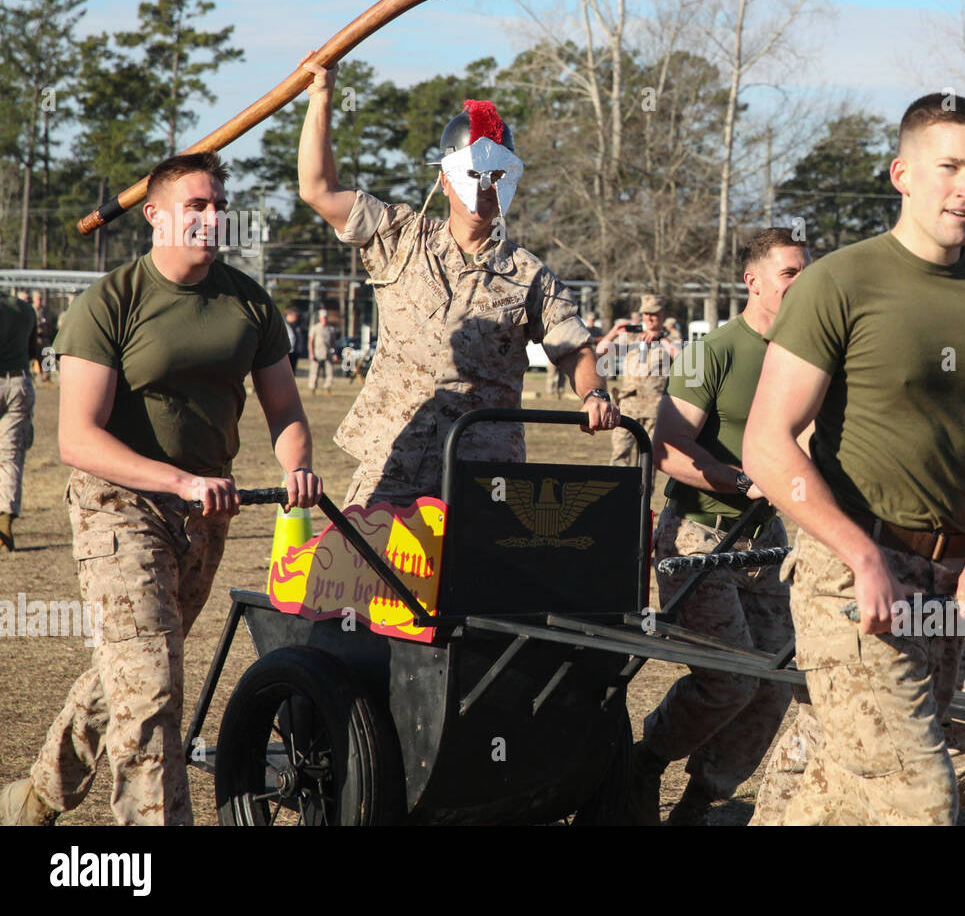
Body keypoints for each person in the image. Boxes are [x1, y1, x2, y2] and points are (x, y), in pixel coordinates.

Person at [0, 152, 322, 826]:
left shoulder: (247, 301)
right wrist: (179, 479)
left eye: (218, 206)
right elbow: (78, 439)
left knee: (127, 675)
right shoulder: (110, 301)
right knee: (151, 690)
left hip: (204, 516)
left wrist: (297, 466)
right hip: (117, 507)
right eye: (195, 206)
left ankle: (31, 801)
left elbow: (285, 410)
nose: (211, 219)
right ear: (154, 214)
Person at [743, 93, 965, 825]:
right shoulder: (839, 283)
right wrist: (861, 557)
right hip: (853, 572)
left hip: (957, 579)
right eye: (948, 167)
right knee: (917, 799)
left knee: (892, 774)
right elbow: (767, 440)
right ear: (902, 173)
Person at [297, 55, 618, 508]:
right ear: (445, 180)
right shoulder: (400, 238)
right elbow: (318, 189)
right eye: (471, 175)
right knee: (372, 573)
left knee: (476, 580)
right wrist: (322, 96)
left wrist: (595, 393)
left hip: (486, 477)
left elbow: (574, 346)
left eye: (495, 178)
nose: (483, 189)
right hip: (392, 463)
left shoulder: (528, 275)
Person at [631, 228, 808, 826]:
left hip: (766, 542)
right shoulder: (713, 352)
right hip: (700, 539)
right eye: (789, 273)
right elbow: (669, 450)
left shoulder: (807, 356)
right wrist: (740, 480)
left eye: (805, 272)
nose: (800, 283)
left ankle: (700, 801)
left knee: (776, 684)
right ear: (752, 280)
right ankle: (642, 764)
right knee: (731, 679)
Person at [596, 295, 680, 466]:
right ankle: (619, 491)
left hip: (655, 408)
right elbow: (601, 349)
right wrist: (615, 330)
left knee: (648, 457)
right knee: (620, 453)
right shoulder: (633, 338)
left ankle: (644, 493)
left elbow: (680, 357)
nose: (648, 318)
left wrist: (661, 337)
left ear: (663, 315)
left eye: (653, 314)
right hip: (628, 405)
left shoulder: (671, 338)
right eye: (645, 314)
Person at [0, 291, 39, 550]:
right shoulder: (25, 309)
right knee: (10, 456)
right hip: (18, 382)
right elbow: (37, 350)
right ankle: (4, 521)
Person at [306, 308, 337, 395]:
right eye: (323, 317)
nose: (324, 319)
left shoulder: (331, 329)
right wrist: (311, 353)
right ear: (320, 318)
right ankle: (312, 389)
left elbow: (333, 343)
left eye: (326, 317)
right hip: (317, 353)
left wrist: (334, 353)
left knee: (329, 372)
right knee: (314, 372)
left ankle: (327, 388)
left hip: (328, 353)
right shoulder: (315, 328)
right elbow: (310, 342)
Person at [30, 290, 56, 384]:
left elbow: (51, 325)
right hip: (34, 339)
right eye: (37, 298)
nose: (39, 300)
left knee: (48, 358)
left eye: (40, 298)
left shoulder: (45, 310)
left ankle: (48, 378)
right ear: (33, 299)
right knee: (33, 360)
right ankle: (35, 379)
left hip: (45, 338)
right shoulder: (30, 310)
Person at [284, 306, 306, 376]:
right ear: (290, 315)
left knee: (292, 370)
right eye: (295, 316)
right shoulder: (283, 325)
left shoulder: (297, 326)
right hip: (286, 351)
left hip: (295, 350)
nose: (296, 318)